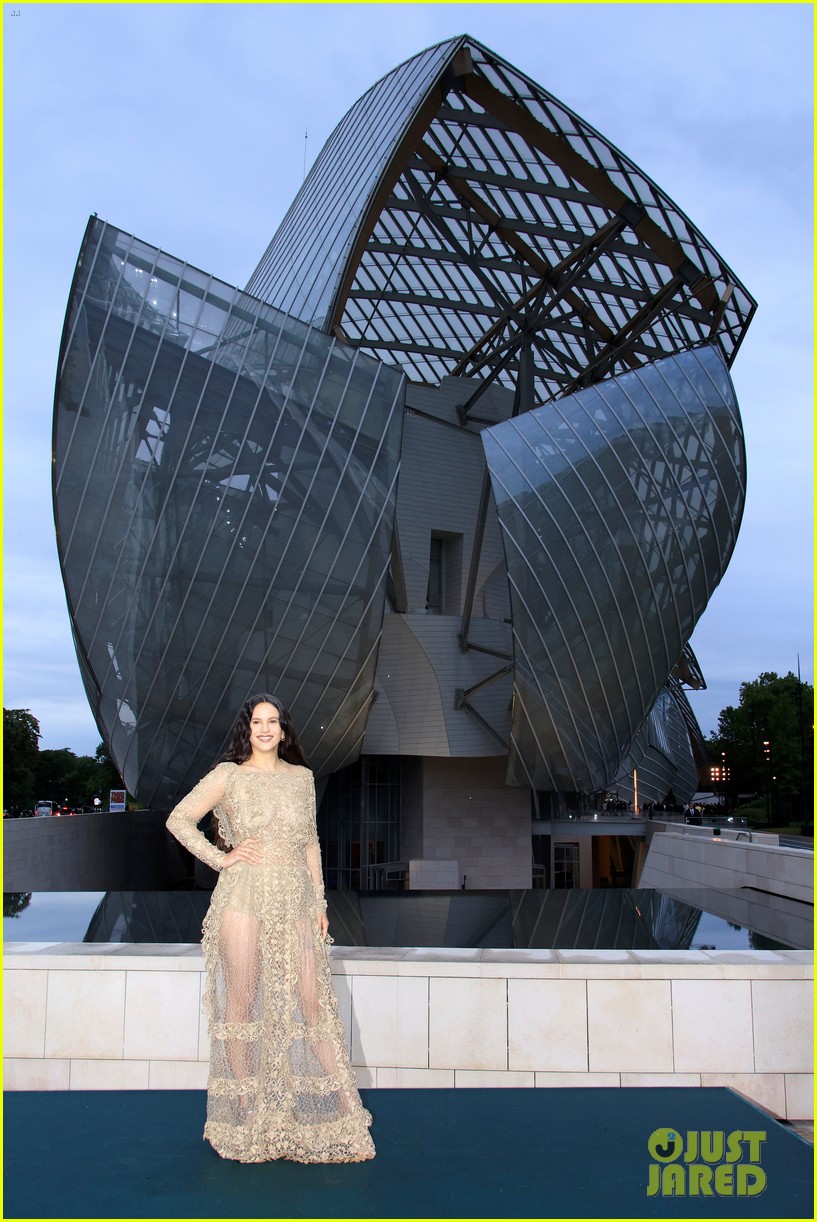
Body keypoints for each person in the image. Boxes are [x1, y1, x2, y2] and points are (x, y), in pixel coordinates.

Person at [165, 693, 375, 1164]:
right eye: (256, 721)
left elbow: (310, 843)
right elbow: (179, 820)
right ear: (248, 730)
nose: (264, 728)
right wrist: (224, 858)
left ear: (283, 731)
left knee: (312, 1002)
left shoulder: (302, 779)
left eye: (272, 721)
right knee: (241, 1002)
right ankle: (243, 1108)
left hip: (297, 899)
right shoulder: (228, 776)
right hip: (243, 899)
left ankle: (343, 1109)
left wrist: (319, 903)